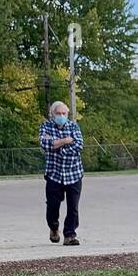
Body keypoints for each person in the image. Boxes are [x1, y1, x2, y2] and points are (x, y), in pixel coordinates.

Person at [39, 101, 84, 246]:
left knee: (73, 207)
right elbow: (44, 144)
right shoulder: (46, 126)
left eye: (64, 113)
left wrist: (56, 146)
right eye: (58, 113)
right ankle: (53, 228)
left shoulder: (73, 126)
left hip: (73, 173)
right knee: (53, 205)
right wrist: (65, 140)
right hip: (54, 173)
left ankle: (70, 235)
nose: (61, 116)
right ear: (53, 114)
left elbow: (78, 145)